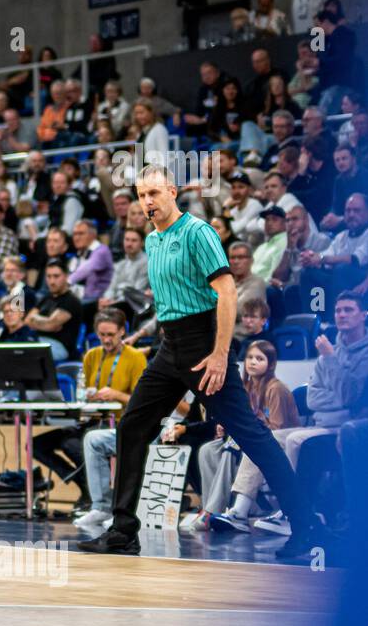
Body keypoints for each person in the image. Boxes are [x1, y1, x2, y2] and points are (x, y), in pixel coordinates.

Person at [78, 165, 316, 558]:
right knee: (134, 426)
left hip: (205, 345)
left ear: (172, 191)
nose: (147, 201)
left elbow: (226, 293)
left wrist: (221, 354)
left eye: (154, 192)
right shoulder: (153, 241)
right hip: (169, 347)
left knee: (253, 436)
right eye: (141, 195)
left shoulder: (198, 232)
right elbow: (170, 301)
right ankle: (123, 531)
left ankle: (306, 525)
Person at [227, 290, 368, 537]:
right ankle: (239, 510)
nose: (341, 315)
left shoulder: (351, 354)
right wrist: (336, 393)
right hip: (321, 423)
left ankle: (290, 511)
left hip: (348, 428)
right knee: (262, 437)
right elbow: (313, 398)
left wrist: (331, 361)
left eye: (349, 310)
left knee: (294, 439)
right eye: (338, 310)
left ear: (363, 315)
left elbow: (351, 396)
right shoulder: (331, 350)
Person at [36, 308, 146, 522]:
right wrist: (87, 397)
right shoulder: (91, 355)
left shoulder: (135, 358)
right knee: (39, 443)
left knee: (76, 443)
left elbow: (141, 402)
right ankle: (85, 485)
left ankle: (100, 501)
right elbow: (84, 387)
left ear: (122, 331)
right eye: (102, 335)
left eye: (111, 335)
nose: (106, 340)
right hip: (91, 420)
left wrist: (116, 395)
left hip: (119, 422)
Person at [188, 340, 299, 532]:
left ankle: (211, 511)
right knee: (207, 450)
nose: (253, 362)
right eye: (249, 358)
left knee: (239, 443)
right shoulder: (244, 388)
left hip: (278, 443)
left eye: (259, 358)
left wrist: (245, 430)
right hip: (248, 440)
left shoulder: (276, 388)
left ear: (271, 364)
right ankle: (215, 506)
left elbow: (278, 428)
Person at [25, 259, 82, 361]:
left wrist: (37, 319)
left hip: (58, 346)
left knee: (25, 355)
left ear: (66, 276)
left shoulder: (71, 301)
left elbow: (51, 325)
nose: (51, 281)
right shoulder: (45, 298)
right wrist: (45, 321)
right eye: (48, 276)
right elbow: (28, 320)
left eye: (56, 276)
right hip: (38, 340)